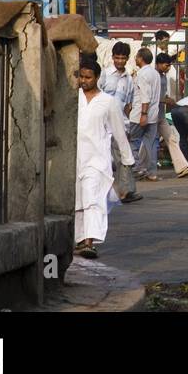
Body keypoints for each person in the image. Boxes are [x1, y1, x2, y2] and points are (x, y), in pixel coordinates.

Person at [74, 59, 134, 259]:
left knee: (92, 199)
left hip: (97, 160)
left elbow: (119, 132)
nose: (84, 81)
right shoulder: (74, 99)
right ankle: (80, 239)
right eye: (81, 77)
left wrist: (127, 158)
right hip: (75, 158)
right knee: (78, 200)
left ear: (97, 78)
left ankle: (90, 241)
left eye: (88, 77)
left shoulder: (108, 102)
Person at [100, 42, 141, 203]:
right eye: (117, 58)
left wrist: (127, 125)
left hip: (121, 125)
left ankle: (125, 191)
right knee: (105, 160)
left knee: (125, 158)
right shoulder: (104, 75)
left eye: (123, 58)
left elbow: (128, 106)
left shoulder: (129, 79)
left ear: (127, 59)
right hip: (103, 125)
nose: (120, 61)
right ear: (112, 58)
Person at [154, 53, 188, 178]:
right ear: (158, 64)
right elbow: (151, 96)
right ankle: (139, 166)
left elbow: (162, 95)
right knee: (148, 142)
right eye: (166, 65)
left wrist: (168, 99)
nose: (168, 68)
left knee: (171, 138)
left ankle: (182, 167)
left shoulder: (164, 77)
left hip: (160, 114)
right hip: (151, 114)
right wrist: (165, 100)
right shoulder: (154, 77)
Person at [128, 48, 163, 183]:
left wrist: (143, 114)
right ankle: (152, 172)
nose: (135, 59)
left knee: (131, 141)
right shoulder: (155, 73)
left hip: (140, 114)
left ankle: (137, 169)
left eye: (136, 57)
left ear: (141, 58)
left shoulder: (142, 74)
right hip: (153, 115)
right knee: (151, 144)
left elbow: (145, 96)